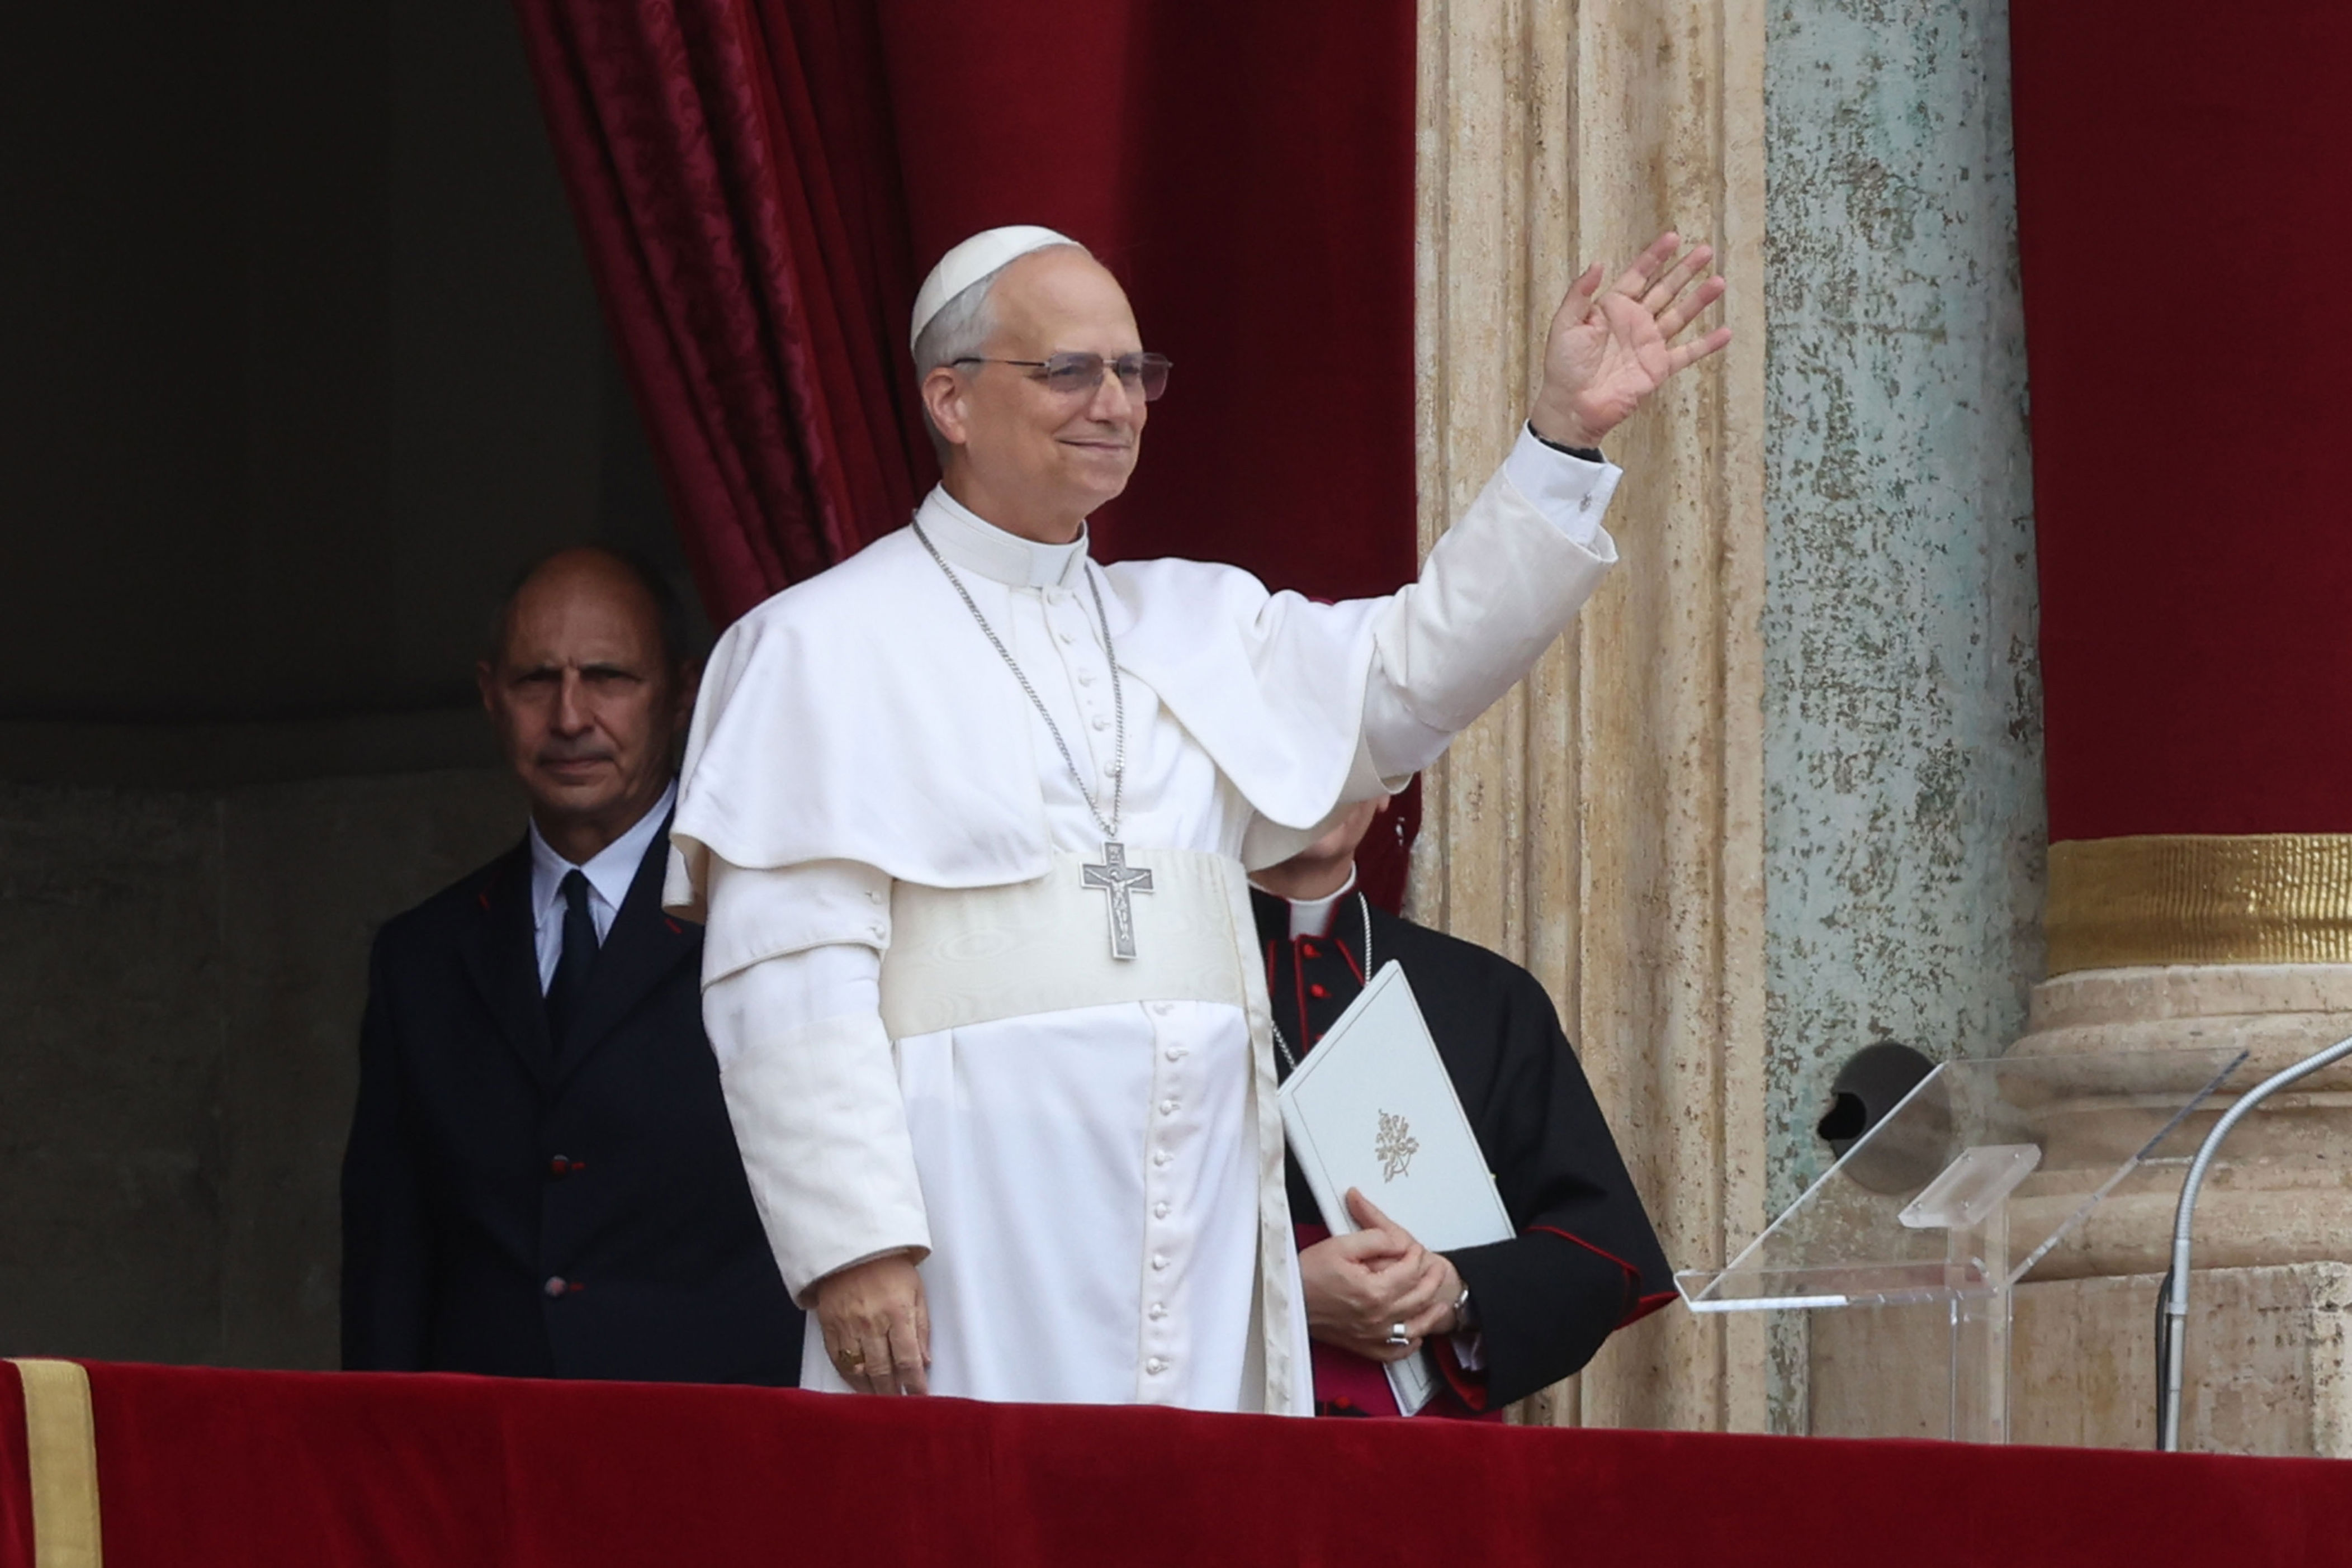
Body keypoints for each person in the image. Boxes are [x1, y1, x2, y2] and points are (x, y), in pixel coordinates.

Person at [670, 224, 1729, 1412]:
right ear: (951, 400)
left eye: (1135, 371)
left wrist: (1560, 442)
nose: (1115, 401)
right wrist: (854, 1245)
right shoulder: (817, 645)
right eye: (1070, 369)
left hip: (1203, 1228)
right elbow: (787, 980)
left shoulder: (1195, 622)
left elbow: (1417, 669)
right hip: (978, 1224)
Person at [340, 548, 802, 1385]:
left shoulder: (774, 924)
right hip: (484, 1461)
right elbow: (390, 1265)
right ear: (489, 694)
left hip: (718, 1452)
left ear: (681, 692)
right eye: (534, 681)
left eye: (609, 676)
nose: (569, 716)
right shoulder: (421, 959)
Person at [1250, 797, 1672, 1417]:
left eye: (1353, 758)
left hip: (1431, 1466)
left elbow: (1598, 1254)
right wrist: (1278, 1297)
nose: (1327, 785)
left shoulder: (1486, 995)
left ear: (1387, 786)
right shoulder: (1150, 989)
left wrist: (1452, 1293)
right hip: (1215, 1439)